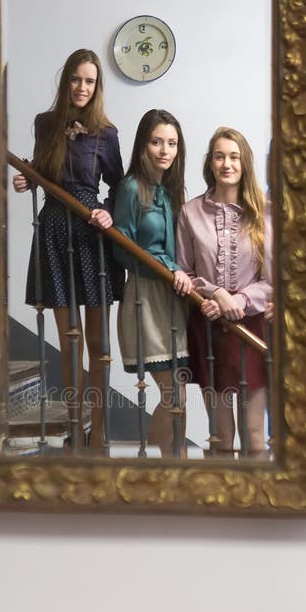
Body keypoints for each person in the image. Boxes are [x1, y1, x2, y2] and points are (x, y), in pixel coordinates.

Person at [12, 49, 124, 450]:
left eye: (90, 81)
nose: (82, 87)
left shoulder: (107, 133)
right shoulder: (46, 124)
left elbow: (120, 185)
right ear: (66, 82)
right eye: (76, 79)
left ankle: (101, 429)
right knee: (69, 341)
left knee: (98, 345)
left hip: (93, 238)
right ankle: (76, 426)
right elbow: (43, 171)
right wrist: (29, 179)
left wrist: (108, 214)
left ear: (97, 86)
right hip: (55, 233)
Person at [176, 126, 273, 455]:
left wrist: (239, 301)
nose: (226, 163)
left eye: (234, 156)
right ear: (210, 162)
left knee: (255, 435)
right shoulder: (190, 212)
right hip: (209, 326)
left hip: (253, 328)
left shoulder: (265, 212)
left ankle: (259, 504)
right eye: (220, 156)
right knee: (220, 436)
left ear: (244, 163)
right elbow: (183, 270)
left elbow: (273, 280)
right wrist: (216, 295)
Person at [112, 109, 193, 455]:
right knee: (172, 395)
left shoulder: (172, 191)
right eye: (157, 141)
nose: (165, 150)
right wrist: (165, 267)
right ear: (143, 144)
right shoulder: (131, 188)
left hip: (174, 299)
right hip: (145, 299)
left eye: (172, 143)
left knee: (182, 396)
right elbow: (123, 249)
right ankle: (158, 470)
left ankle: (175, 470)